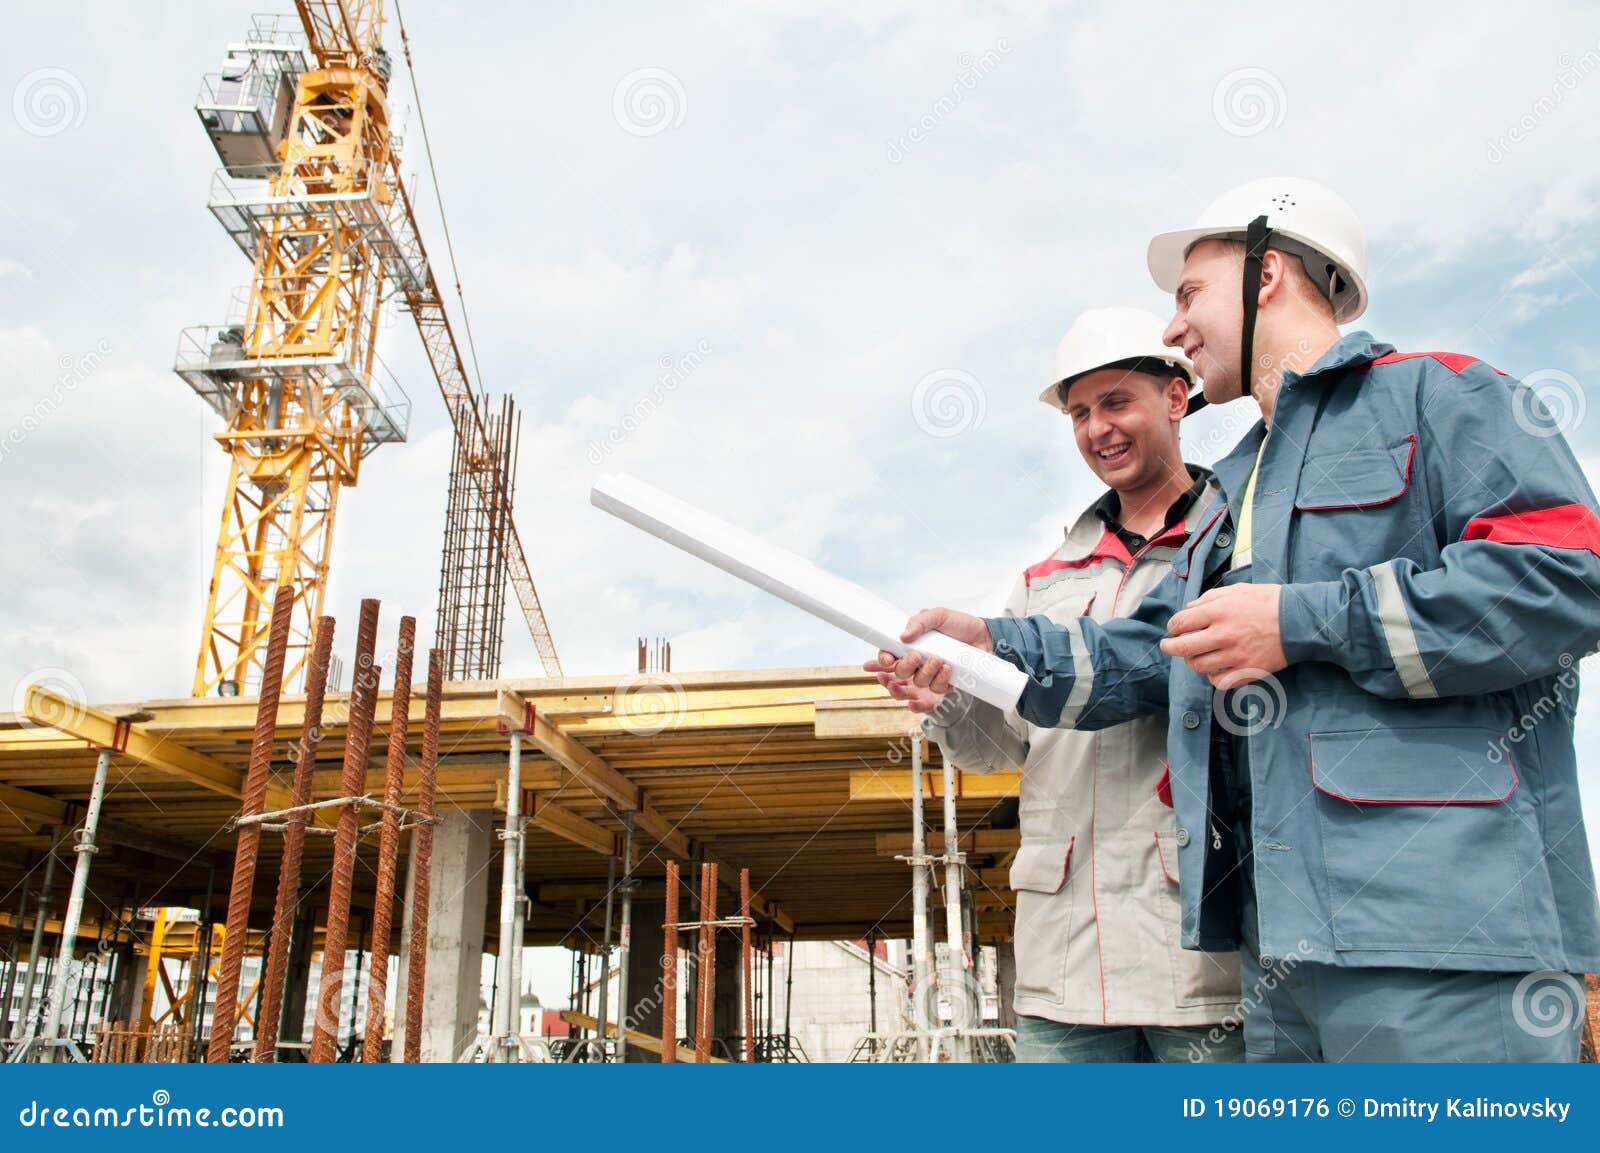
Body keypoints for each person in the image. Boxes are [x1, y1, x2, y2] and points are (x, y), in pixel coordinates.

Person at [870, 177, 1600, 1061]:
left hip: (1445, 934)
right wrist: (996, 642)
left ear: (1268, 274)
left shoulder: (1439, 396)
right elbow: (1155, 651)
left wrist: (1304, 622)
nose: (1175, 327)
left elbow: (1567, 577)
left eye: (1189, 294)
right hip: (1280, 953)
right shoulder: (1239, 487)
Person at [922, 307, 1242, 1062]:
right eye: (1080, 413)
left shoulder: (1237, 539)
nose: (1099, 428)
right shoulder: (1044, 581)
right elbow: (1001, 744)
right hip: (1065, 963)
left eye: (1116, 402)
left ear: (1176, 397)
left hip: (1201, 960)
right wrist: (947, 698)